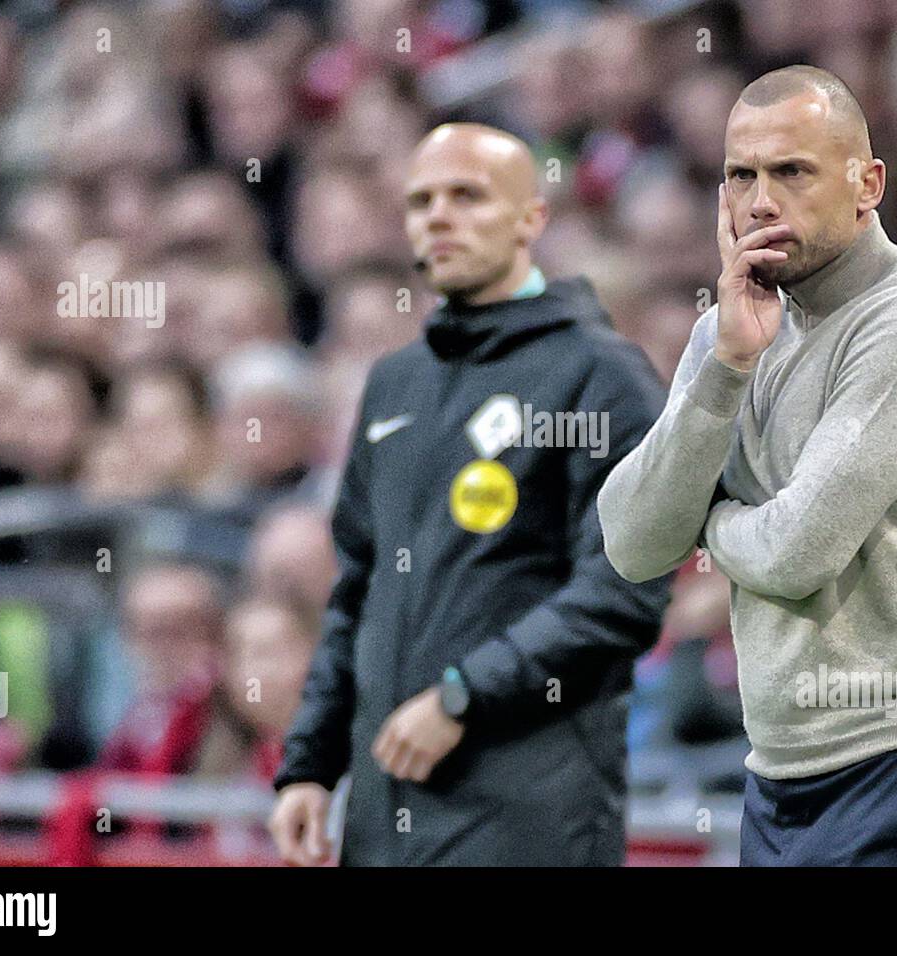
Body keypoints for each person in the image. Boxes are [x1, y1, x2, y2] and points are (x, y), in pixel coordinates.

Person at [598, 65, 897, 866]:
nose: (760, 200)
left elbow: (796, 553)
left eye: (792, 171)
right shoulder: (731, 332)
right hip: (781, 772)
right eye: (740, 175)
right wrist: (724, 369)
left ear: (869, 184)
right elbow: (631, 541)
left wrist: (713, 522)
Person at [269, 123, 671, 866]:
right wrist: (310, 765)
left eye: (467, 196)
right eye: (421, 202)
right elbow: (355, 590)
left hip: (531, 822)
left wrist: (465, 696)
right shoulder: (393, 386)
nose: (439, 217)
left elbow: (623, 593)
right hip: (384, 819)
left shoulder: (601, 378)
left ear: (532, 220)